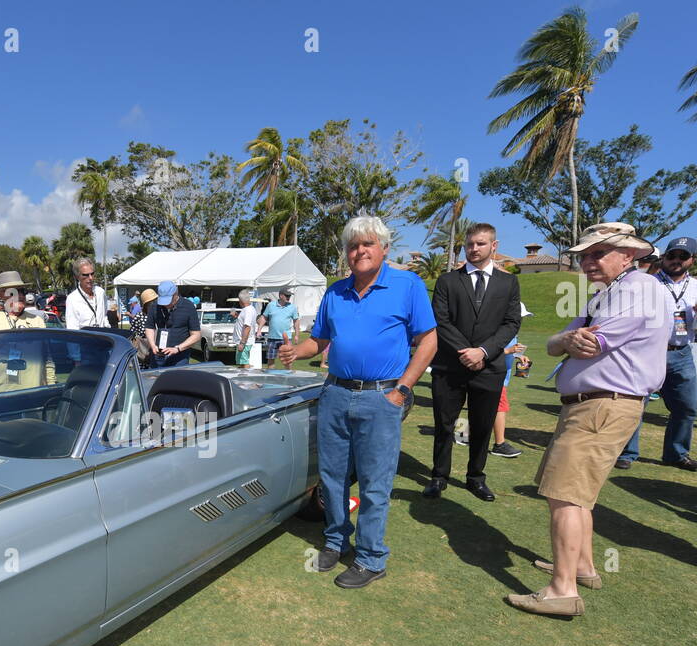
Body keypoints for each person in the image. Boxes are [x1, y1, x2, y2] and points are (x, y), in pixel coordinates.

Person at [509, 223, 673, 617]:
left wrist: (571, 340)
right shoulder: (609, 292)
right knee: (575, 494)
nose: (587, 261)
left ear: (627, 255)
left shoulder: (640, 290)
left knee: (565, 494)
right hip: (591, 404)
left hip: (603, 404)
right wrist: (567, 339)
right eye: (584, 254)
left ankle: (562, 590)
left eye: (598, 253)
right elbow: (556, 342)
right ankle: (580, 567)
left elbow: (590, 342)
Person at [278, 216, 438, 588]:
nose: (359, 251)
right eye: (353, 246)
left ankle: (370, 557)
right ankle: (336, 541)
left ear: (383, 248)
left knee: (374, 481)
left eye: (367, 244)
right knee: (332, 476)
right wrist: (294, 351)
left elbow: (428, 341)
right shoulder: (336, 291)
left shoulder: (407, 285)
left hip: (382, 396)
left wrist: (402, 390)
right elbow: (318, 341)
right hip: (334, 393)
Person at [424, 222, 523, 502]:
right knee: (444, 424)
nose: (474, 249)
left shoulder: (509, 282)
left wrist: (482, 351)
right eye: (469, 244)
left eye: (480, 244)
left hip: (489, 367)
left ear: (494, 246)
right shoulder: (447, 281)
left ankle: (475, 477)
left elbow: (511, 322)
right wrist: (466, 351)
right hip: (450, 367)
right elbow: (440, 321)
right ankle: (439, 476)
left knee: (482, 426)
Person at [614, 236, 697, 471]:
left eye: (683, 256)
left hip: (682, 353)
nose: (676, 260)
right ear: (663, 257)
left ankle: (676, 454)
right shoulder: (646, 283)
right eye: (672, 255)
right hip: (647, 352)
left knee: (687, 406)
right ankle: (627, 453)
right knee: (636, 404)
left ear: (693, 259)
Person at [0, 294, 55, 393]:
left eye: (22, 291)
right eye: (13, 292)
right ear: (3, 297)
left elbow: (47, 358)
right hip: (1, 395)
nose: (20, 295)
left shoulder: (37, 321)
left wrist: (51, 386)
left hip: (36, 393)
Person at [146, 281, 201, 368]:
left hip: (179, 357)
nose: (165, 304)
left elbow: (196, 335)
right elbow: (149, 327)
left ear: (176, 294)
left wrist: (178, 348)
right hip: (158, 355)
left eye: (168, 300)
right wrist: (152, 344)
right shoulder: (155, 306)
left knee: (177, 381)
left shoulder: (188, 307)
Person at [64, 258, 109, 329]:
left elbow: (104, 315)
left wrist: (107, 326)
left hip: (103, 338)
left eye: (92, 274)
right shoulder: (72, 299)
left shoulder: (100, 292)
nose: (90, 278)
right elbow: (72, 328)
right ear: (77, 277)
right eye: (86, 275)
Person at [262, 288, 299, 366]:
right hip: (272, 337)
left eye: (289, 296)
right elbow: (264, 317)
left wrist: (297, 335)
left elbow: (296, 321)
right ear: (281, 295)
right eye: (287, 295)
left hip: (286, 338)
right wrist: (259, 330)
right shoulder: (270, 305)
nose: (289, 297)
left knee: (288, 359)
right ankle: (271, 376)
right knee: (270, 360)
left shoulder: (293, 307)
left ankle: (288, 376)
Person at [232, 289, 259, 369]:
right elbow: (245, 323)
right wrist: (237, 316)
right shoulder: (249, 309)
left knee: (245, 363)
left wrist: (242, 343)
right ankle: (242, 379)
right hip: (243, 341)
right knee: (242, 362)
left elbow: (247, 327)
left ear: (241, 300)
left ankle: (246, 380)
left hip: (244, 342)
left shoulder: (248, 311)